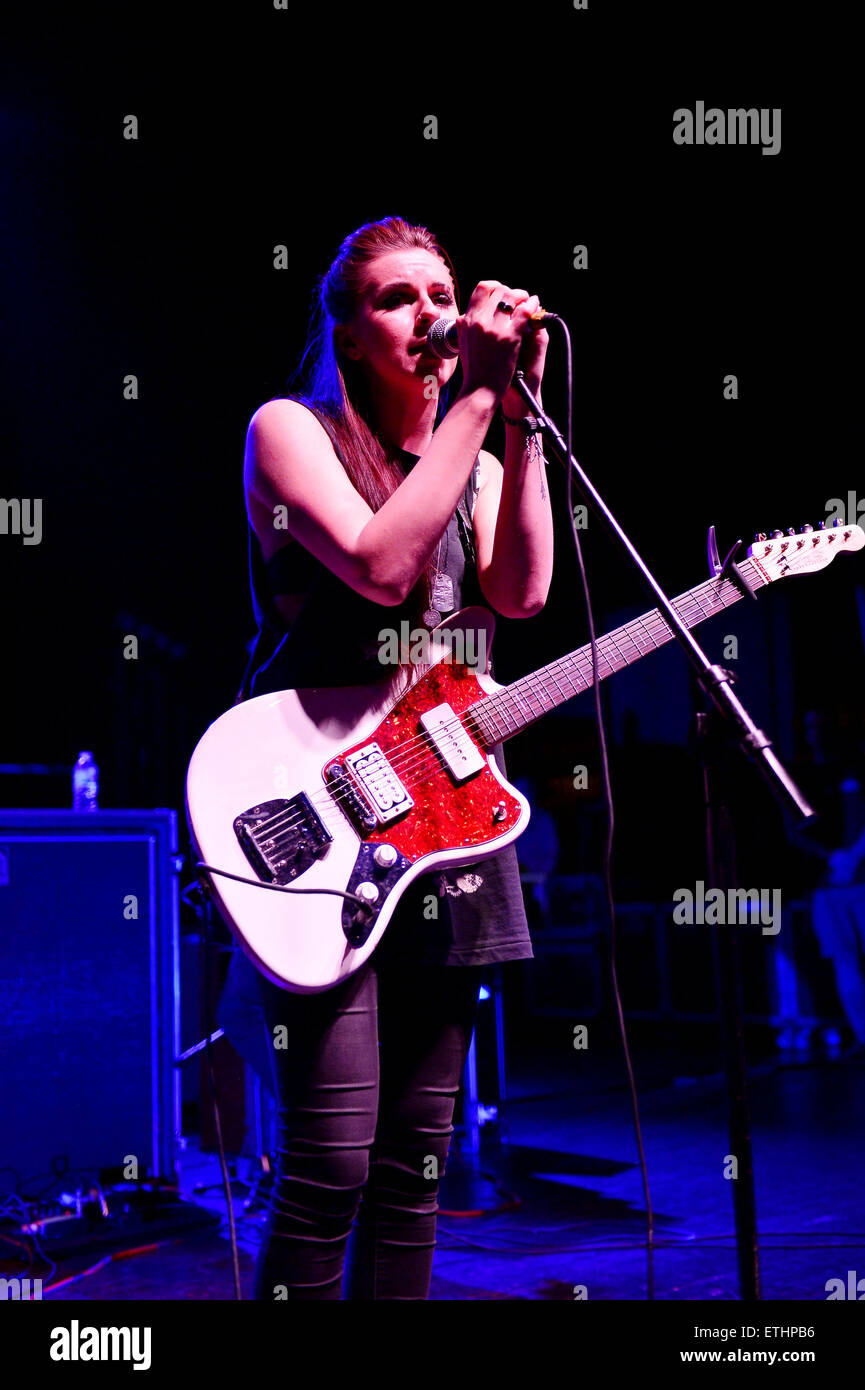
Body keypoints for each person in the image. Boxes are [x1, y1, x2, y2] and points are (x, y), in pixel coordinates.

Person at [235, 215, 554, 1298]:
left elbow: (521, 595)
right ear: (348, 331)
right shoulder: (290, 431)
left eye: (441, 291)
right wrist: (472, 398)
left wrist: (521, 421)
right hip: (315, 810)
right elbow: (378, 565)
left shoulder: (468, 457)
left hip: (446, 816)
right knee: (327, 1168)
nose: (431, 314)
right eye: (397, 298)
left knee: (414, 1168)